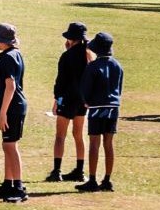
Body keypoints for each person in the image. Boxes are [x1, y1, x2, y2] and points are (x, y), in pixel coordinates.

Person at [0, 23, 30, 203]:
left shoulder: (8, 57)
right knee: (7, 145)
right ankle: (7, 183)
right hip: (14, 106)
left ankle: (18, 187)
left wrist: (3, 113)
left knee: (11, 146)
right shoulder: (13, 54)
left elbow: (10, 86)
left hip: (13, 107)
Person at [76, 32, 123, 192]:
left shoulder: (93, 66)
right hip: (113, 107)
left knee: (94, 144)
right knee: (108, 144)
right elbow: (120, 87)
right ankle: (108, 179)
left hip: (96, 108)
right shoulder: (117, 65)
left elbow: (85, 89)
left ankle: (93, 179)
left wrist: (86, 102)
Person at [47, 22, 90, 182]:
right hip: (82, 100)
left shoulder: (66, 56)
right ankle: (80, 170)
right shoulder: (88, 56)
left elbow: (61, 81)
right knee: (78, 135)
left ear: (71, 39)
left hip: (67, 98)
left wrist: (57, 99)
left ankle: (56, 170)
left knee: (60, 136)